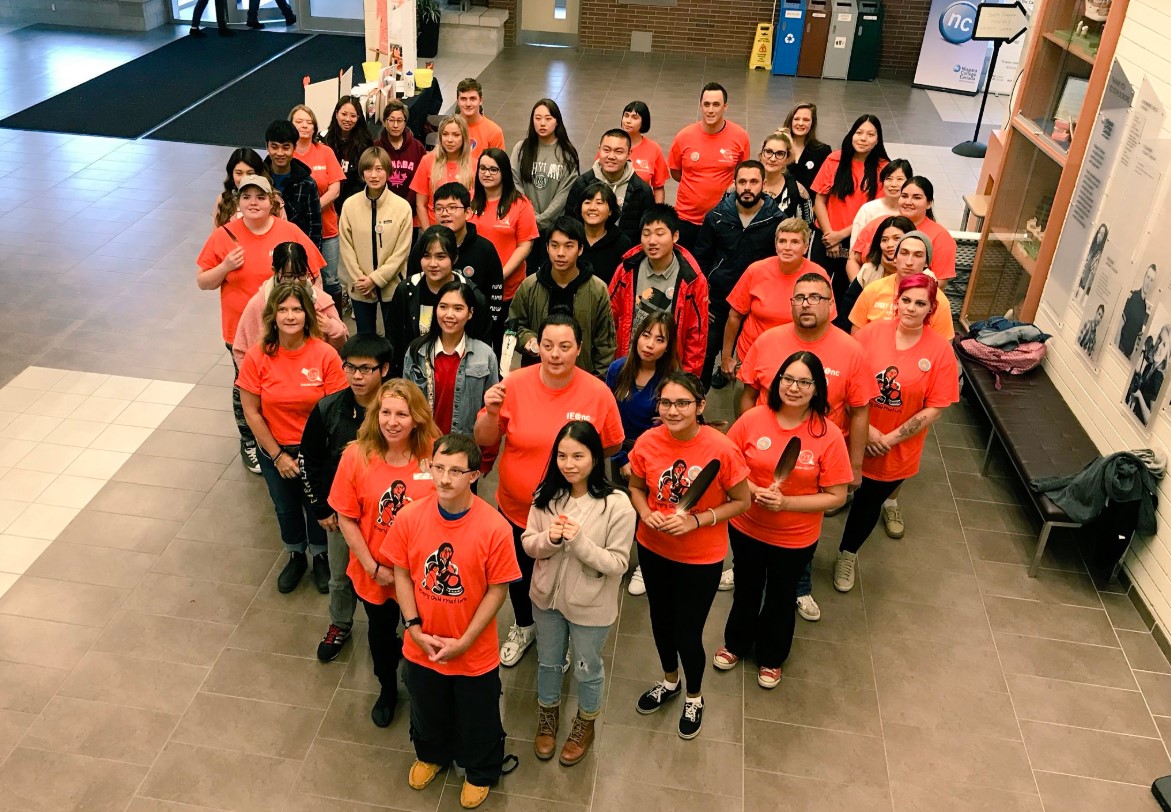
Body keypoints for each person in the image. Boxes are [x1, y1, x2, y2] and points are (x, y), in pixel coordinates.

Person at [473, 313, 624, 668]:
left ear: (579, 349)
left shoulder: (597, 393)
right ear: (536, 346)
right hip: (516, 510)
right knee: (518, 575)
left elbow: (611, 445)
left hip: (574, 516)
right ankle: (524, 626)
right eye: (548, 345)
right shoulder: (514, 384)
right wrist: (491, 412)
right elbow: (484, 439)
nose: (555, 354)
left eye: (565, 346)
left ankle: (564, 637)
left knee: (567, 578)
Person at [386, 433, 520, 810]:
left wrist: (465, 641)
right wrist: (413, 626)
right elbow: (402, 572)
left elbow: (497, 590)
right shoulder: (410, 517)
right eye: (439, 468)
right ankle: (432, 754)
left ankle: (480, 770)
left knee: (478, 715)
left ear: (474, 475)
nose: (445, 479)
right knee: (426, 706)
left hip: (472, 651)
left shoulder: (494, 527)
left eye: (456, 471)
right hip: (422, 644)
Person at [737, 273, 876, 618]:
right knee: (751, 516)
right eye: (799, 298)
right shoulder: (768, 340)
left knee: (800, 525)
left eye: (816, 297)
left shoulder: (850, 350)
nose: (806, 304)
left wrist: (855, 466)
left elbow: (860, 411)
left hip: (816, 459)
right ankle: (744, 570)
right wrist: (748, 436)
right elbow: (748, 395)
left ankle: (799, 585)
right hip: (763, 454)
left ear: (831, 304)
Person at [628, 371, 751, 739]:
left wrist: (698, 521)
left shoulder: (722, 448)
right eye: (666, 402)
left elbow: (742, 501)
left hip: (700, 558)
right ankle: (670, 682)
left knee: (687, 633)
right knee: (660, 622)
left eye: (682, 403)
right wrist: (645, 512)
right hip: (653, 548)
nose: (673, 410)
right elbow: (636, 487)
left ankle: (694, 696)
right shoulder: (648, 442)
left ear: (700, 406)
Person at [718, 352, 851, 687]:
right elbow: (727, 464)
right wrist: (752, 490)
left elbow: (836, 495)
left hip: (794, 538)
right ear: (777, 382)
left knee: (780, 596)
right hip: (746, 527)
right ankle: (736, 643)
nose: (794, 388)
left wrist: (786, 502)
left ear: (817, 388)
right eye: (788, 379)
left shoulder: (828, 434)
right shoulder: (752, 419)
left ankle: (772, 656)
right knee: (747, 589)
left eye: (804, 382)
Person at [834, 273, 959, 593]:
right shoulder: (870, 334)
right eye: (906, 300)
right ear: (896, 301)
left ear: (931, 309)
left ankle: (847, 553)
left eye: (920, 303)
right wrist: (866, 430)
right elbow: (845, 383)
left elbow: (936, 407)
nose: (911, 308)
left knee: (867, 504)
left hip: (895, 449)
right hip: (852, 435)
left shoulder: (940, 351)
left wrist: (888, 439)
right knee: (835, 489)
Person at [522, 421, 636, 765]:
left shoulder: (617, 504)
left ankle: (585, 722)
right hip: (546, 599)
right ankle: (548, 715)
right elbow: (529, 544)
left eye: (578, 456)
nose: (569, 464)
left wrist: (579, 542)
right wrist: (550, 539)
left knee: (587, 667)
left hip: (591, 606)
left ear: (595, 457)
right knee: (548, 662)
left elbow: (618, 563)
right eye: (562, 456)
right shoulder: (546, 495)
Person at [196, 174, 324, 475]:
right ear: (238, 202)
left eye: (260, 197)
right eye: (247, 197)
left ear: (272, 202)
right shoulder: (224, 235)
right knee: (247, 389)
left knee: (284, 387)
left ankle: (284, 439)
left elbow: (314, 275)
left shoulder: (288, 231)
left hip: (290, 331)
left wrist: (312, 313)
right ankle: (251, 441)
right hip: (242, 331)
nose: (253, 203)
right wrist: (225, 266)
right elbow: (203, 282)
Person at [329, 379, 440, 727]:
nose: (392, 422)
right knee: (380, 634)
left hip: (422, 576)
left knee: (422, 633)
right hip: (375, 573)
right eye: (386, 412)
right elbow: (346, 518)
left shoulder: (435, 454)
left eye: (402, 414)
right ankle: (387, 687)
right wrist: (373, 568)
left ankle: (423, 688)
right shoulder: (356, 456)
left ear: (417, 418)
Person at [237, 283, 348, 594]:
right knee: (285, 506)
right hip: (275, 450)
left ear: (308, 314)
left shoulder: (325, 354)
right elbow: (251, 411)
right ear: (272, 315)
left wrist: (314, 457)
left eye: (297, 309)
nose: (290, 316)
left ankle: (320, 554)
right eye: (283, 309)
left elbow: (336, 411)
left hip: (316, 451)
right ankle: (296, 554)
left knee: (317, 505)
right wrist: (277, 456)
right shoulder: (257, 356)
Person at [300, 334, 395, 664]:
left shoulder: (397, 409)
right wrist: (321, 507)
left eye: (366, 369)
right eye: (350, 367)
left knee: (391, 576)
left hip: (389, 515)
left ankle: (389, 630)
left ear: (384, 369)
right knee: (340, 576)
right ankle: (340, 623)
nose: (357, 376)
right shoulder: (329, 408)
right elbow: (310, 459)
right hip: (342, 515)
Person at [606, 310, 681, 597]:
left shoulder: (671, 380)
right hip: (619, 450)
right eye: (646, 335)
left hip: (655, 455)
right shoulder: (618, 369)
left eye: (659, 339)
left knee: (651, 507)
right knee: (619, 508)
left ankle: (645, 566)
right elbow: (608, 417)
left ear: (668, 346)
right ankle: (618, 558)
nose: (649, 344)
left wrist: (636, 459)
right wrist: (620, 458)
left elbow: (670, 429)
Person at [694, 160, 783, 390]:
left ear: (764, 184)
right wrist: (703, 298)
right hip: (718, 301)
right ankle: (698, 399)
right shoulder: (716, 216)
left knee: (754, 361)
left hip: (755, 304)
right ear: (734, 184)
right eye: (742, 182)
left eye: (753, 182)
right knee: (704, 355)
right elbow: (700, 259)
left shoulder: (777, 221)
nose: (747, 187)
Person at [720, 218, 830, 383]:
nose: (787, 247)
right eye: (782, 241)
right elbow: (734, 316)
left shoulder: (818, 276)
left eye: (795, 242)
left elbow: (825, 325)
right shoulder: (756, 270)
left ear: (806, 247)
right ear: (776, 245)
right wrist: (726, 356)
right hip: (751, 356)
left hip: (795, 363)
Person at [509, 217, 617, 378]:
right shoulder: (530, 286)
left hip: (582, 377)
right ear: (547, 247)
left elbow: (605, 343)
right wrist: (528, 339)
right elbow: (513, 327)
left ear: (580, 249)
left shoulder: (597, 289)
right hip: (537, 377)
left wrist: (597, 380)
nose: (560, 253)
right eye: (554, 245)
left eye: (569, 246)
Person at [609, 204, 708, 376]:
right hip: (630, 360)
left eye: (660, 234)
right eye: (646, 234)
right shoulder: (627, 270)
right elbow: (609, 317)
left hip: (668, 367)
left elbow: (697, 336)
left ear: (675, 236)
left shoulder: (692, 279)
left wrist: (687, 379)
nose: (652, 241)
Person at [404, 279, 501, 436]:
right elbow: (405, 402)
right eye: (443, 307)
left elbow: (490, 411)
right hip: (423, 441)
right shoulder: (417, 351)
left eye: (458, 308)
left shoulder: (485, 355)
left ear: (470, 313)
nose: (449, 315)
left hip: (464, 445)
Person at [811, 114, 889, 305]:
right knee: (815, 288)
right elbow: (819, 201)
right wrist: (830, 235)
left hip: (858, 241)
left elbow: (877, 213)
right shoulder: (834, 159)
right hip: (825, 235)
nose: (863, 138)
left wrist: (840, 236)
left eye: (870, 134)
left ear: (878, 140)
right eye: (859, 132)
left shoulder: (884, 168)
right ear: (851, 134)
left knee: (846, 294)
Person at [391, 226, 491, 370]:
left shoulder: (473, 296)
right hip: (415, 372)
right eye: (426, 256)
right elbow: (394, 339)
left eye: (440, 257)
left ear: (454, 258)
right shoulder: (406, 290)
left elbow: (483, 346)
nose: (433, 264)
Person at [338, 146, 413, 336]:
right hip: (360, 286)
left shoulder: (402, 207)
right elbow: (346, 247)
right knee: (365, 339)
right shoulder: (350, 205)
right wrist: (360, 280)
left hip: (392, 285)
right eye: (368, 169)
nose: (374, 175)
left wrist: (376, 279)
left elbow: (402, 252)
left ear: (388, 171)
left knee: (395, 338)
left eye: (379, 169)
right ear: (362, 173)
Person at [667, 82, 752, 250]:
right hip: (686, 218)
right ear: (700, 106)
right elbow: (676, 172)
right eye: (706, 104)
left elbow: (742, 174)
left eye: (716, 104)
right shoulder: (683, 136)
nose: (710, 110)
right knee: (686, 262)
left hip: (723, 218)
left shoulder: (740, 137)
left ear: (725, 106)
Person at [232, 241, 347, 363]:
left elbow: (341, 350)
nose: (295, 283)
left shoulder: (321, 302)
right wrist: (252, 374)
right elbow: (240, 349)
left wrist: (332, 328)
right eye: (288, 276)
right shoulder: (259, 304)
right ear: (275, 271)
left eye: (301, 275)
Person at [467, 150, 537, 332]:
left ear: (504, 172)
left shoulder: (521, 204)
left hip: (506, 289)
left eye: (493, 169)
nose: (487, 173)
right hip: (470, 285)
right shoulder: (468, 200)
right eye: (482, 168)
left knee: (500, 340)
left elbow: (525, 245)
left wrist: (499, 276)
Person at [511, 98, 580, 271]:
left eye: (548, 118)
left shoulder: (567, 153)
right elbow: (515, 183)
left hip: (554, 229)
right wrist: (529, 217)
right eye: (538, 118)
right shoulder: (521, 149)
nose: (542, 123)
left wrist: (541, 220)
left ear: (557, 122)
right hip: (524, 226)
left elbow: (565, 193)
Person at [850, 231, 954, 340]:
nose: (909, 262)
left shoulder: (938, 300)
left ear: (926, 263)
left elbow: (944, 346)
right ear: (895, 258)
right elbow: (856, 339)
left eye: (918, 255)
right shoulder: (872, 290)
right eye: (904, 253)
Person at [851, 175, 957, 282]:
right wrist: (859, 287)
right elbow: (853, 260)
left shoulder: (941, 237)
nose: (908, 202)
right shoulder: (880, 223)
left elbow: (939, 283)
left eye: (916, 198)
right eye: (904, 196)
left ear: (929, 203)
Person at [291, 104, 346, 299]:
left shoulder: (325, 152)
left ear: (314, 127)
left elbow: (335, 190)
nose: (304, 126)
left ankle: (334, 316)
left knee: (330, 280)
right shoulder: (286, 155)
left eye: (309, 122)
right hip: (295, 231)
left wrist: (311, 208)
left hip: (327, 230)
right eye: (299, 122)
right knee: (299, 279)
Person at [564, 129, 654, 245]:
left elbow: (647, 231)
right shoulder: (582, 183)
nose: (611, 156)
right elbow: (570, 224)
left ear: (629, 154)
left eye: (618, 152)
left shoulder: (641, 190)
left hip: (625, 252)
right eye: (606, 150)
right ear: (599, 149)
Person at [839, 215, 915, 327]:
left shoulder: (926, 276)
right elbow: (847, 312)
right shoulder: (868, 270)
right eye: (884, 240)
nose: (889, 245)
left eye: (896, 238)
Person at [846, 159, 913, 278]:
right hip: (871, 276)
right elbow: (853, 257)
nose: (893, 184)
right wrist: (858, 285)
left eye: (899, 179)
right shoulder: (868, 209)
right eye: (889, 179)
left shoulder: (912, 211)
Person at [263, 119, 322, 248]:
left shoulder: (307, 184)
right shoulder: (257, 179)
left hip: (295, 251)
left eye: (286, 147)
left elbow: (314, 229)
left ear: (295, 147)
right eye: (274, 147)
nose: (280, 153)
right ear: (267, 146)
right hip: (261, 248)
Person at [411, 115, 474, 229]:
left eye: (456, 135)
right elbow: (420, 205)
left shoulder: (474, 165)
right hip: (435, 229)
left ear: (464, 137)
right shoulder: (427, 161)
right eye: (445, 134)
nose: (449, 140)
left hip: (465, 231)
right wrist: (429, 234)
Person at [322, 96, 375, 225]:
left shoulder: (365, 143)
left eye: (353, 116)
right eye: (344, 114)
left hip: (354, 204)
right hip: (328, 204)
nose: (347, 119)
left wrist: (346, 209)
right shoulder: (324, 140)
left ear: (358, 118)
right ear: (336, 114)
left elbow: (362, 179)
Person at [374, 99, 427, 212]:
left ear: (405, 122)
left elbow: (420, 181)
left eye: (399, 120)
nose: (395, 125)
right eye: (391, 120)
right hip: (382, 208)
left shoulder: (417, 148)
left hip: (411, 209)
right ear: (384, 122)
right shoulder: (376, 148)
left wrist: (406, 204)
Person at [576, 182, 632, 287]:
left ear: (610, 210)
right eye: (587, 202)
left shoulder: (621, 243)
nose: (592, 208)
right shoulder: (571, 237)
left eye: (599, 203)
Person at [758, 130, 812, 223]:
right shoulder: (744, 184)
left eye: (780, 154)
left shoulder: (799, 192)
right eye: (768, 152)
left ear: (787, 158)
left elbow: (807, 228)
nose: (773, 159)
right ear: (761, 154)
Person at [620, 100, 669, 203]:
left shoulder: (654, 149)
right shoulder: (610, 143)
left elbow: (658, 187)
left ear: (643, 122)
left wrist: (657, 211)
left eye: (635, 117)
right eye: (626, 115)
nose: (628, 121)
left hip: (642, 207)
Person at [212, 147, 274, 228]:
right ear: (232, 174)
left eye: (250, 173)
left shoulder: (274, 200)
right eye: (239, 173)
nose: (244, 178)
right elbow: (216, 232)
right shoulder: (223, 199)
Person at [783, 102, 832, 192]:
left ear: (812, 123)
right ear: (790, 121)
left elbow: (825, 186)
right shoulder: (779, 147)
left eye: (806, 120)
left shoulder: (823, 151)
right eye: (796, 119)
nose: (800, 123)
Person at [1127, 324, 1169, 424]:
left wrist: (1139, 395)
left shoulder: (1157, 378)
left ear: (1167, 355)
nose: (1159, 346)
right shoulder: (1149, 367)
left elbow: (1149, 421)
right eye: (1159, 339)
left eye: (1164, 345)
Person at [456, 78, 505, 165]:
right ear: (458, 101)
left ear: (481, 100)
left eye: (472, 99)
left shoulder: (494, 131)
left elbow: (498, 166)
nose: (468, 104)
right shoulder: (448, 128)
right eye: (463, 99)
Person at [1119, 264, 1158, 357]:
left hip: (1127, 356)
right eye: (1148, 277)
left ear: (1152, 284)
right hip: (1119, 350)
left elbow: (1136, 336)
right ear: (1144, 277)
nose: (1148, 282)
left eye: (1151, 280)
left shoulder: (1144, 308)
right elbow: (1119, 327)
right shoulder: (1134, 297)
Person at [1078, 223, 1108, 296]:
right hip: (1080, 280)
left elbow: (1092, 274)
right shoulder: (1092, 247)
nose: (1099, 236)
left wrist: (1083, 294)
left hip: (1084, 287)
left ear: (1104, 238)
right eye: (1099, 233)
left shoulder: (1099, 253)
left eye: (1102, 235)